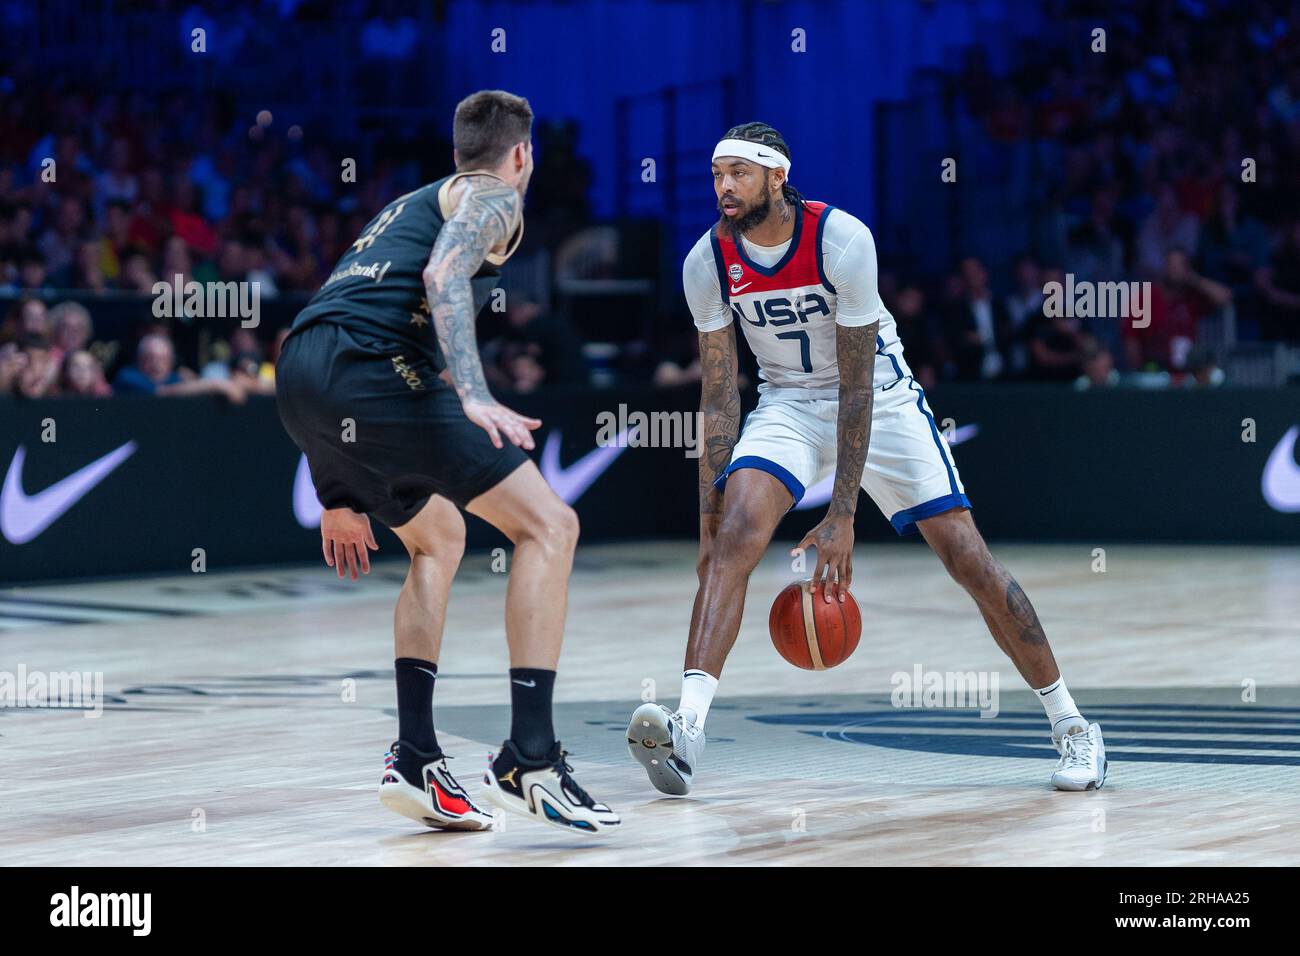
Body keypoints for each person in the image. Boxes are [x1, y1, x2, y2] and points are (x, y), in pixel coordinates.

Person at [627, 122, 1107, 797]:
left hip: (878, 400)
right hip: (787, 404)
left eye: (738, 173)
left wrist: (843, 514)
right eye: (716, 175)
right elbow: (716, 396)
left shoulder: (841, 240)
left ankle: (1072, 724)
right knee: (732, 539)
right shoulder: (707, 260)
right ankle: (687, 730)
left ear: (777, 176)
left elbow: (855, 389)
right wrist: (709, 509)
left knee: (968, 559)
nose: (724, 187)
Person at [275, 90, 617, 835]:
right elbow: (441, 277)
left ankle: (417, 756)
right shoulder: (496, 198)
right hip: (369, 371)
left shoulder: (404, 204)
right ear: (521, 154)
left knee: (439, 536)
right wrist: (472, 391)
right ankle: (530, 755)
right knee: (550, 526)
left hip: (300, 374)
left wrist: (336, 488)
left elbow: (335, 323)